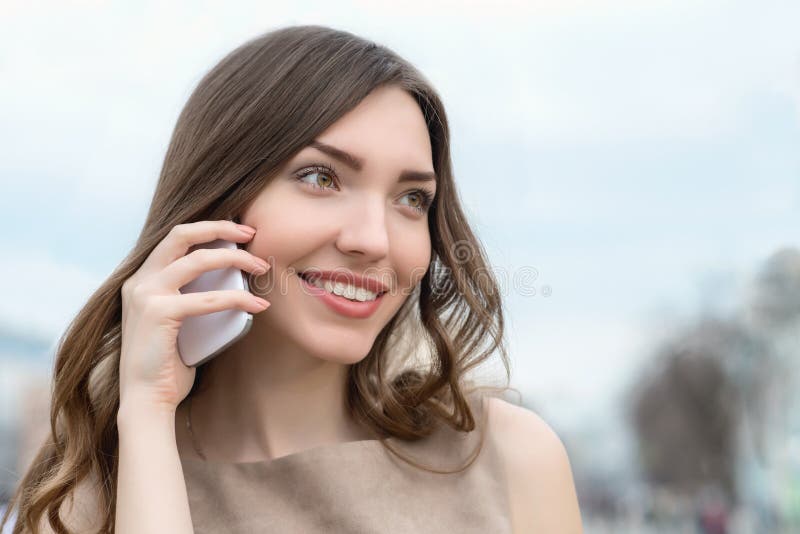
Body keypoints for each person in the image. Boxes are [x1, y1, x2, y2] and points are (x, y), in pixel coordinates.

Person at [1, 24, 583, 533]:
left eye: (411, 198)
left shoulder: (509, 461)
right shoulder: (83, 502)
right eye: (320, 177)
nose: (374, 240)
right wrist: (148, 413)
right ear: (219, 198)